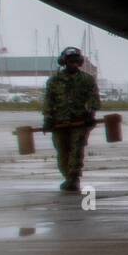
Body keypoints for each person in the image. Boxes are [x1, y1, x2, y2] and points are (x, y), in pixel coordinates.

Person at [43, 47, 101, 192]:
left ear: (80, 62)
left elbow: (94, 99)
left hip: (80, 122)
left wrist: (90, 115)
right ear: (64, 62)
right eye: (70, 61)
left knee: (76, 150)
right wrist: (47, 119)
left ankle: (73, 179)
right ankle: (67, 176)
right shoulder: (54, 80)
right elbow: (48, 100)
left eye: (76, 61)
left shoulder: (87, 80)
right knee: (62, 152)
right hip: (59, 122)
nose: (73, 64)